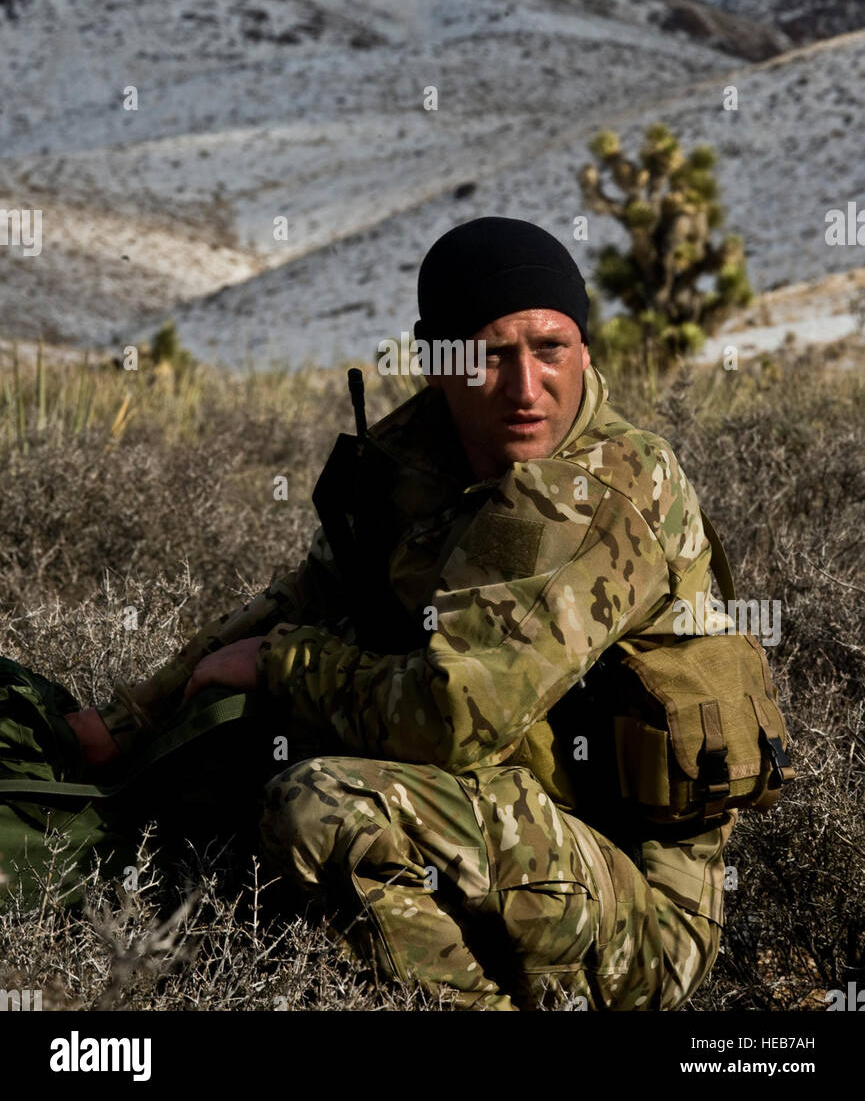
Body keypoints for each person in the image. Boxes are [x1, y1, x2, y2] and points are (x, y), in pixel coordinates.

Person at [66, 217, 736, 1011]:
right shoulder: (419, 460)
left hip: (635, 906)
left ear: (585, 349)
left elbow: (446, 720)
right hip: (503, 825)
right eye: (491, 355)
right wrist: (127, 723)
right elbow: (302, 596)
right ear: (436, 362)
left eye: (550, 348)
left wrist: (284, 664)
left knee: (320, 808)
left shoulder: (591, 495)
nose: (527, 389)